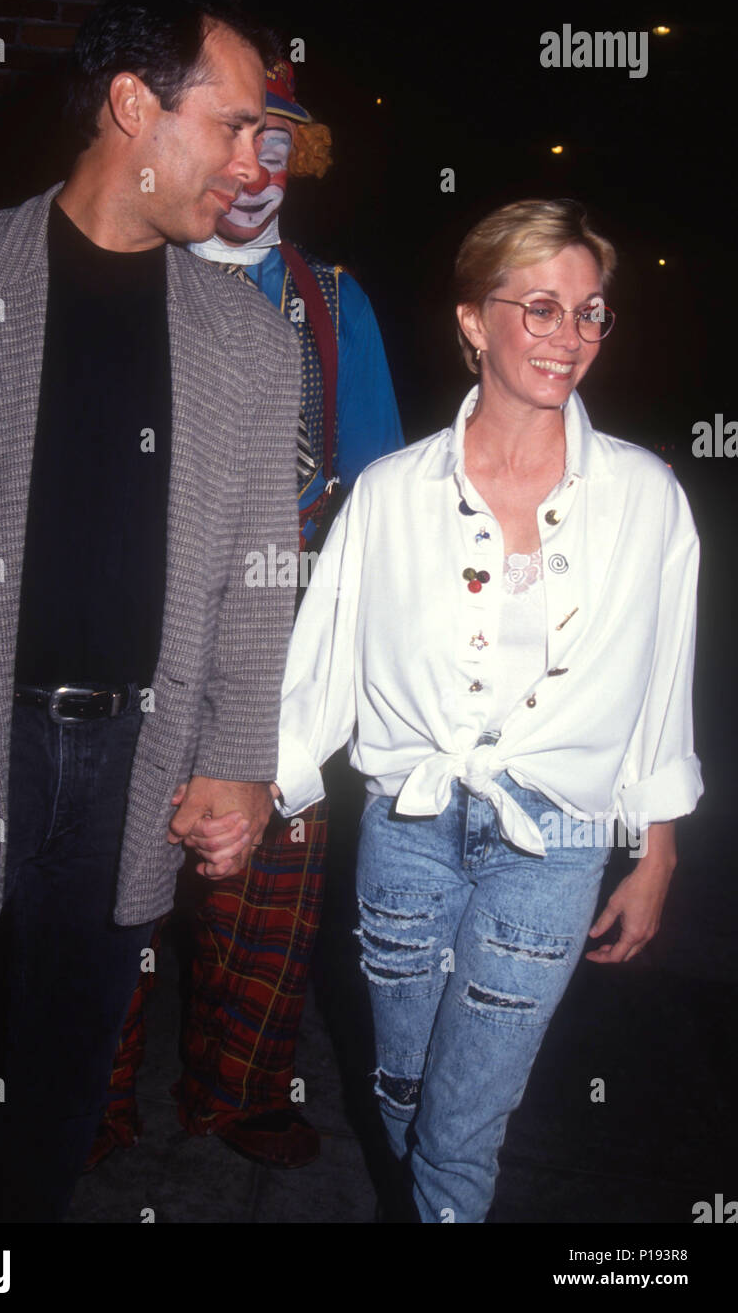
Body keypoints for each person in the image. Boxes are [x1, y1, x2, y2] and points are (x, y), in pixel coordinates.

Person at [0, 0, 302, 1223]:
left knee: (55, 1100)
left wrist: (240, 759)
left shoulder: (253, 343)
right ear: (130, 105)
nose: (252, 160)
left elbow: (264, 569)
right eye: (231, 125)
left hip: (133, 769)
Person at [205, 197, 703, 1221]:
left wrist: (655, 848)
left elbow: (664, 682)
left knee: (466, 1123)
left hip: (554, 843)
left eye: (590, 313)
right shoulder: (390, 495)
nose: (570, 337)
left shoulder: (645, 498)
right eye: (541, 309)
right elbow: (325, 672)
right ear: (475, 322)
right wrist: (262, 791)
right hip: (406, 837)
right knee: (404, 1097)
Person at [86, 58, 403, 1171]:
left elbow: (377, 491)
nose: (254, 170)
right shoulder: (125, 277)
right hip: (136, 617)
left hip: (287, 633)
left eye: (280, 148)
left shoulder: (334, 299)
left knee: (268, 876)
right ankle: (93, 1090)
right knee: (108, 881)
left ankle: (240, 1086)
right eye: (241, 139)